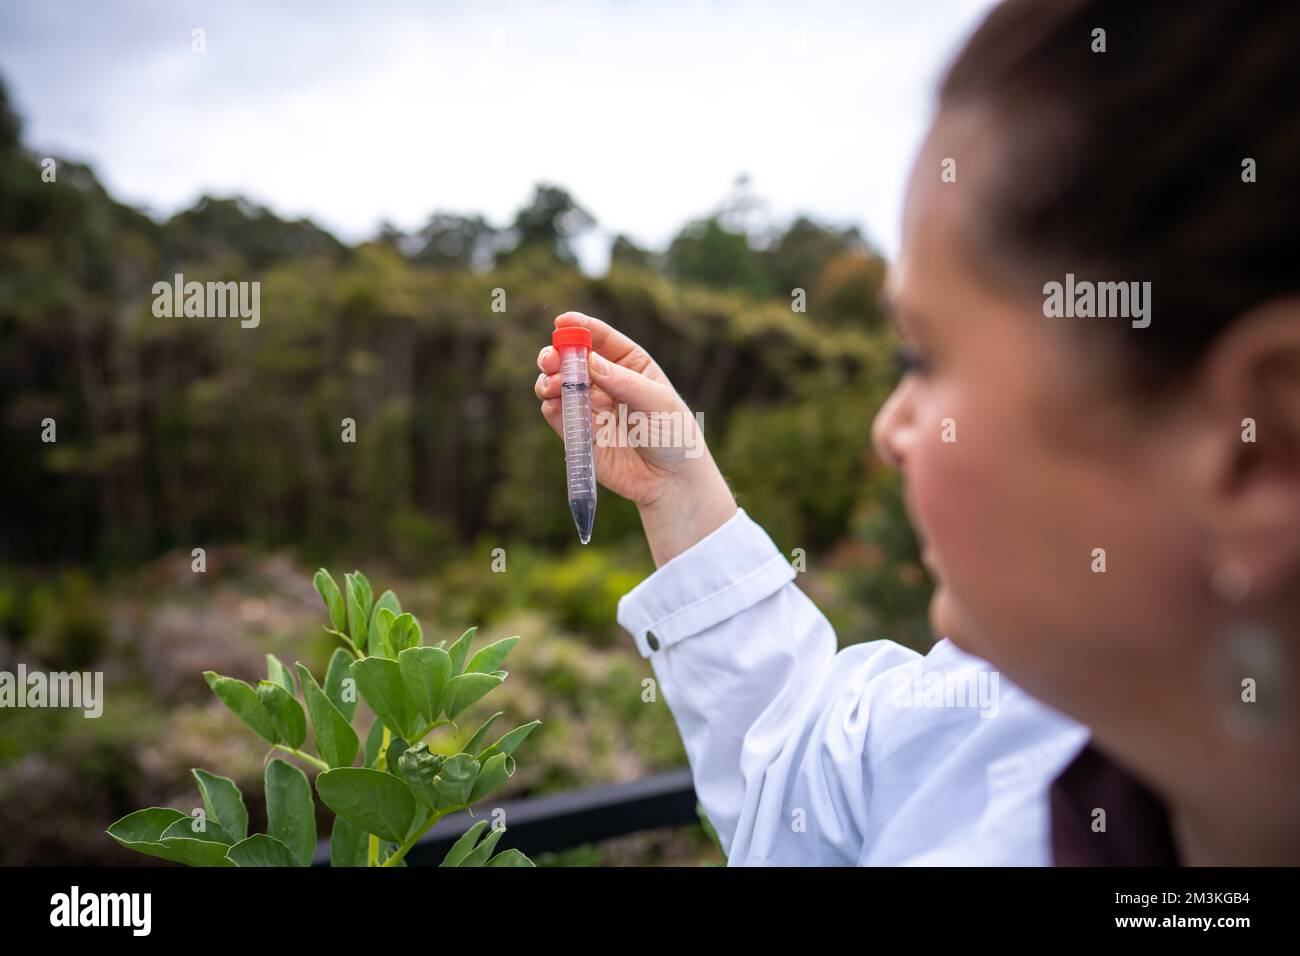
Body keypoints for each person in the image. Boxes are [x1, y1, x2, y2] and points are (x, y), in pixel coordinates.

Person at [533, 0, 1300, 865]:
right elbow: (803, 790)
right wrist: (682, 494)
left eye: (923, 357)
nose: (888, 428)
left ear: (1258, 450)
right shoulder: (1008, 709)